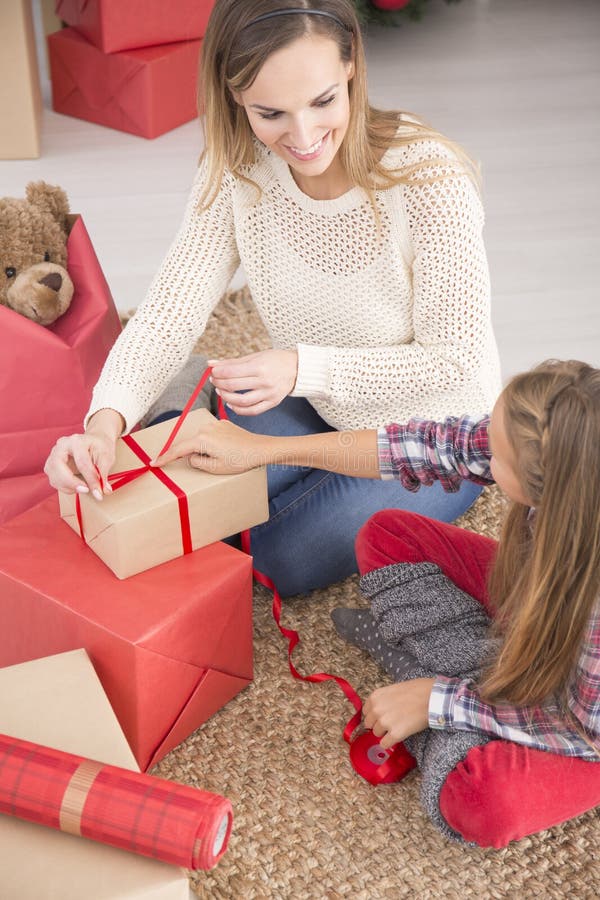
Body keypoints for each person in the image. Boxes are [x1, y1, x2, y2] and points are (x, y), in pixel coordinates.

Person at [44, 0, 501, 596]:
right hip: (315, 397)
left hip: (437, 432)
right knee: (169, 463)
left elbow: (453, 361)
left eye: (322, 101)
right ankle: (240, 434)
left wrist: (300, 368)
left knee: (277, 557)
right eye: (271, 113)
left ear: (352, 68)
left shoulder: (427, 179)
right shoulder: (239, 168)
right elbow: (170, 309)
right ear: (235, 96)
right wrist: (104, 425)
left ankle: (258, 444)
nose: (305, 137)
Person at [151, 358, 600, 846]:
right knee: (388, 534)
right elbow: (411, 448)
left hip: (584, 726)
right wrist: (262, 450)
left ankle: (439, 684)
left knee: (483, 800)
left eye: (496, 455)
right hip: (546, 613)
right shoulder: (569, 464)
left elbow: (581, 728)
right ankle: (478, 681)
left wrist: (439, 702)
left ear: (549, 487)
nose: (482, 446)